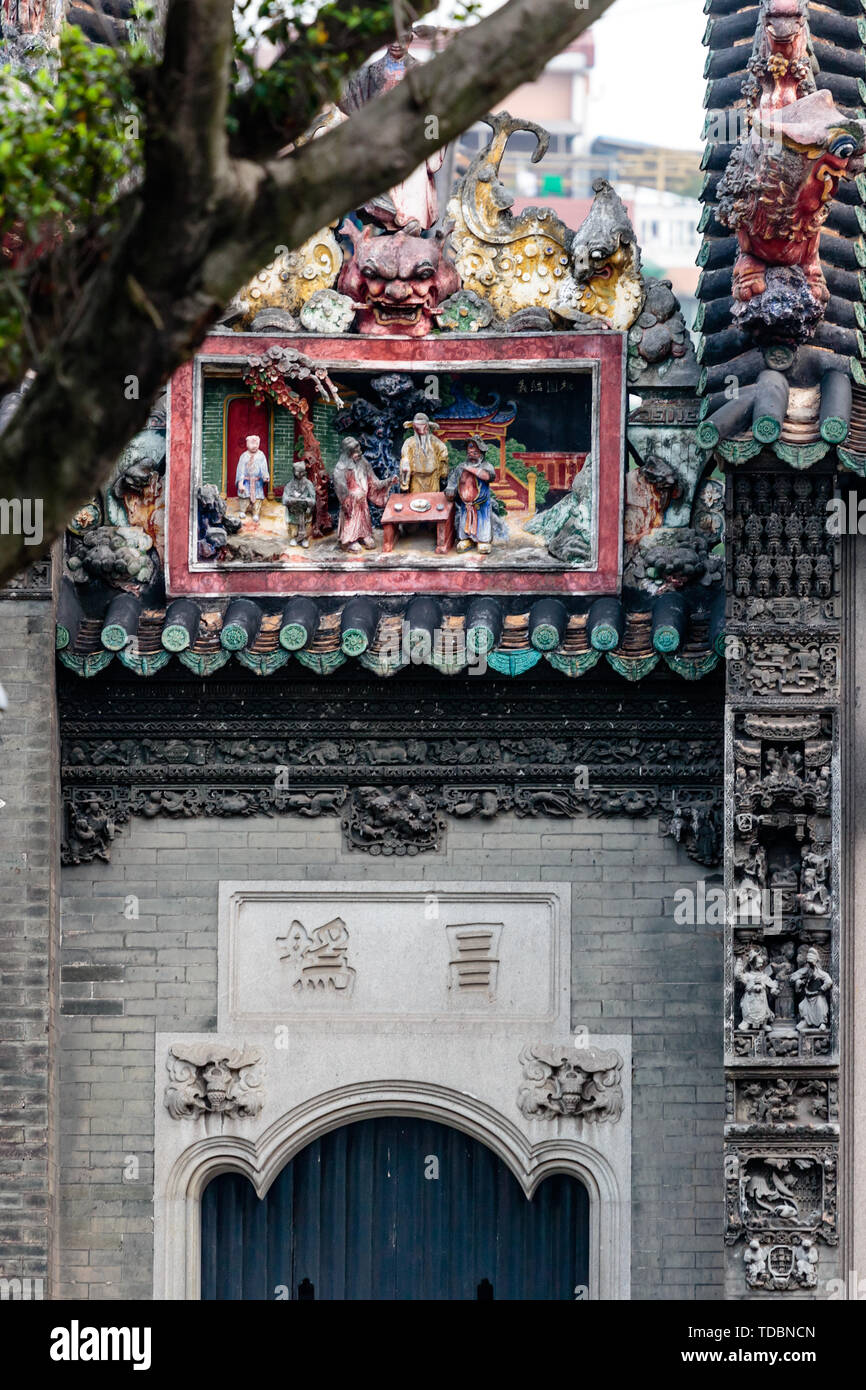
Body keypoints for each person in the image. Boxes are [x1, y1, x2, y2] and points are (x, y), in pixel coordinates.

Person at [333, 437, 394, 553]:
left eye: (359, 448)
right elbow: (340, 488)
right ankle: (350, 539)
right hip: (351, 502)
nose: (359, 451)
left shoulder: (363, 462)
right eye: (356, 449)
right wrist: (349, 498)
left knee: (363, 518)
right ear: (349, 451)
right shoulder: (341, 467)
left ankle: (364, 535)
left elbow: (374, 481)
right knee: (351, 518)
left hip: (362, 501)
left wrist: (388, 481)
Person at [446, 434, 496, 554]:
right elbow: (453, 480)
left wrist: (470, 469)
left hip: (481, 504)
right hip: (466, 504)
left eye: (474, 449)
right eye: (469, 448)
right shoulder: (460, 467)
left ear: (481, 451)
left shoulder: (486, 466)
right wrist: (450, 488)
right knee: (464, 521)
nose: (471, 451)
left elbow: (488, 476)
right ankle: (466, 539)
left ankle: (483, 541)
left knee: (482, 523)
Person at [399, 413, 450, 495]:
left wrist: (443, 473)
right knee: (415, 502)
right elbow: (405, 460)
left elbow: (443, 456)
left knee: (433, 502)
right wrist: (405, 482)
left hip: (433, 478)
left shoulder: (435, 442)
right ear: (414, 428)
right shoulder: (409, 442)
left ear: (427, 427)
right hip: (416, 480)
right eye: (417, 427)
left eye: (424, 427)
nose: (421, 431)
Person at [281, 458, 316, 548]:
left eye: (302, 472)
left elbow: (313, 500)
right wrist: (290, 500)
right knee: (293, 527)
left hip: (305, 510)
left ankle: (304, 539)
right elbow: (284, 499)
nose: (300, 474)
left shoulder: (308, 484)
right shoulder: (289, 485)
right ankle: (294, 537)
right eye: (298, 472)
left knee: (306, 523)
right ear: (294, 472)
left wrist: (308, 501)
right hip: (293, 510)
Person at [235, 434, 269, 523]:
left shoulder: (261, 455)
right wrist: (240, 483)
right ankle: (242, 511)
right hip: (246, 481)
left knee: (257, 498)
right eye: (252, 444)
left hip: (257, 481)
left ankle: (256, 513)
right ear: (247, 444)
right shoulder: (244, 456)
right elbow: (240, 470)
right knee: (244, 497)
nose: (254, 446)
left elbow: (264, 468)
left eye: (256, 444)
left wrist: (265, 476)